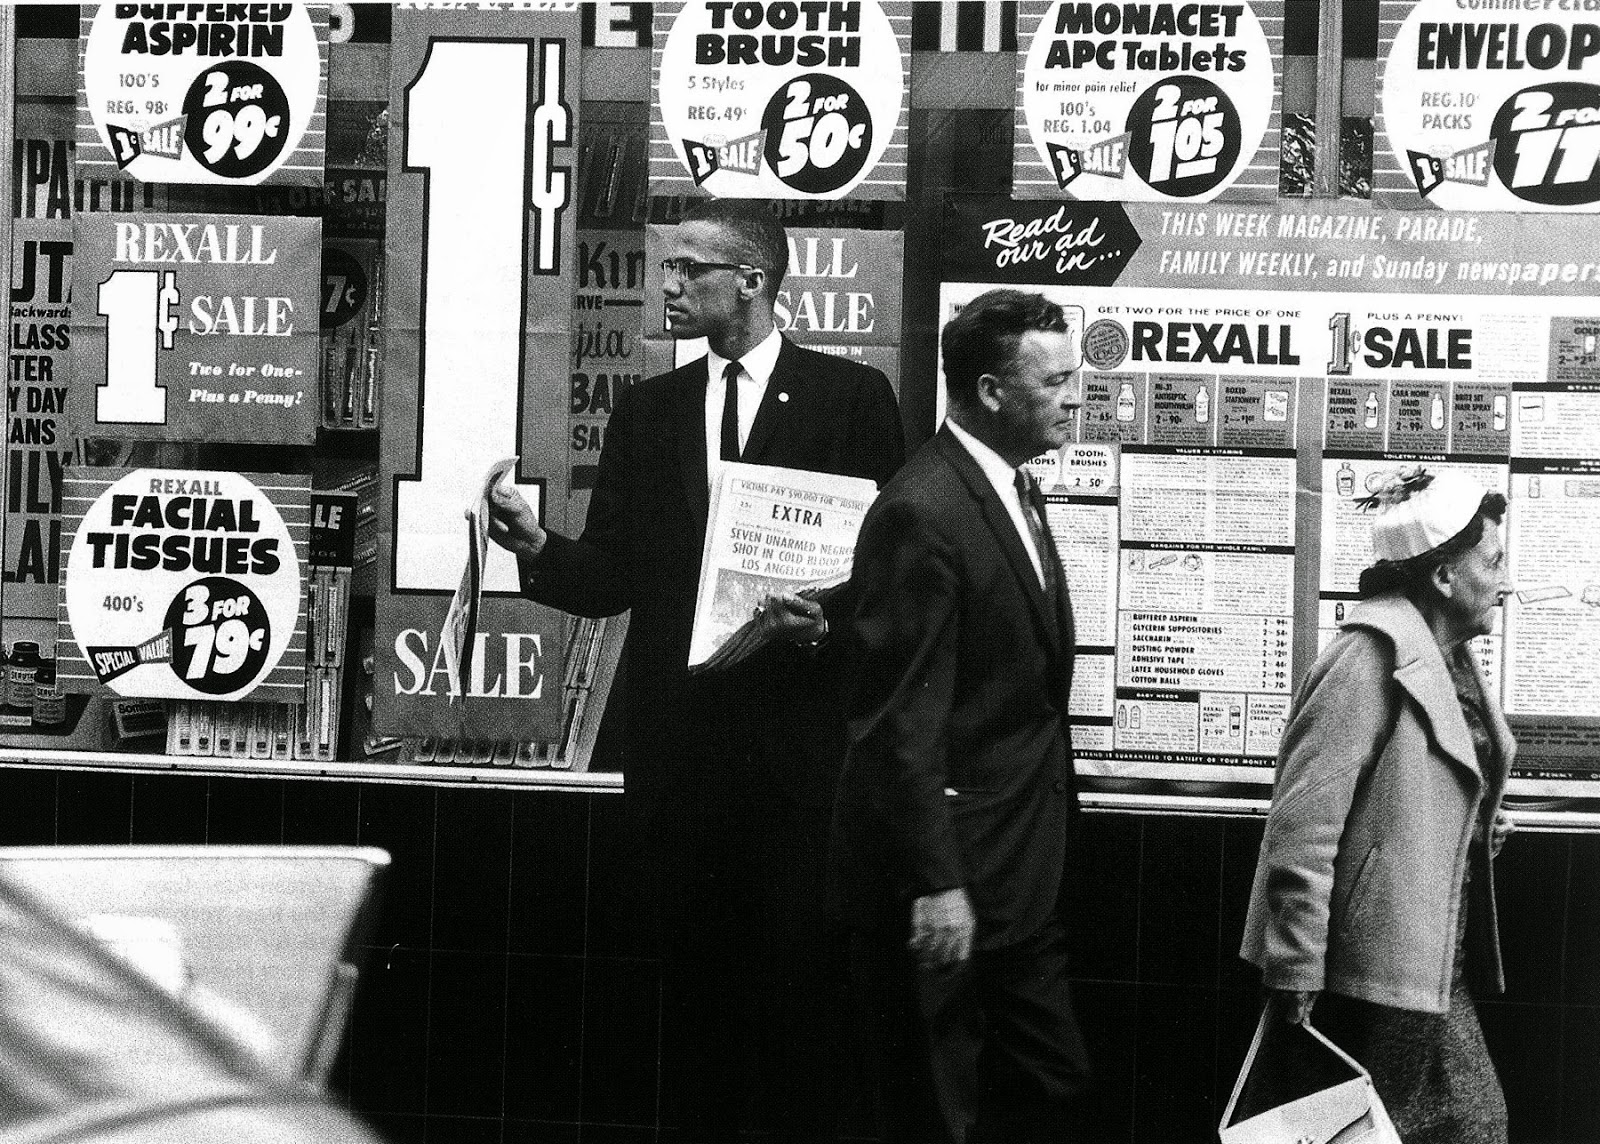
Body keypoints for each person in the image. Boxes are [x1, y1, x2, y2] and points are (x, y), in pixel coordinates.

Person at [486, 198, 904, 1144]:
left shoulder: (852, 400)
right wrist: (537, 543)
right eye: (668, 269)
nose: (667, 286)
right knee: (689, 1005)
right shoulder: (651, 411)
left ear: (751, 281)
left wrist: (821, 631)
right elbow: (613, 577)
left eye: (690, 270)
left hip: (800, 764)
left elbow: (893, 586)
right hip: (679, 765)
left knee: (798, 1003)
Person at [833, 289, 1090, 1144]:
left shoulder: (1012, 491)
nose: (1075, 395)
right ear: (988, 392)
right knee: (947, 1109)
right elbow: (899, 725)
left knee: (1046, 1085)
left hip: (1018, 871)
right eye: (1054, 380)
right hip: (954, 883)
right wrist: (938, 885)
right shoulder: (924, 509)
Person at [1240, 466, 1516, 1144]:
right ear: (1445, 576)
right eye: (1495, 560)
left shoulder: (1449, 659)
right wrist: (1298, 973)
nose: (1506, 583)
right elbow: (1302, 828)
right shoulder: (1365, 658)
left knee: (1468, 1129)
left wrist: (1470, 824)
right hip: (1369, 978)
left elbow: (1418, 789)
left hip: (1429, 965)